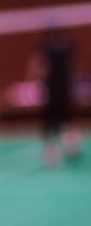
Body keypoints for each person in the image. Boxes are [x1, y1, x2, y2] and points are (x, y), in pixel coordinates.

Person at [28, 27, 78, 166]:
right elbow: (38, 67)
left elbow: (37, 67)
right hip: (53, 91)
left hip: (59, 90)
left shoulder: (65, 48)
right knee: (55, 122)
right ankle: (54, 151)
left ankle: (65, 148)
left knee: (63, 120)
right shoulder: (47, 49)